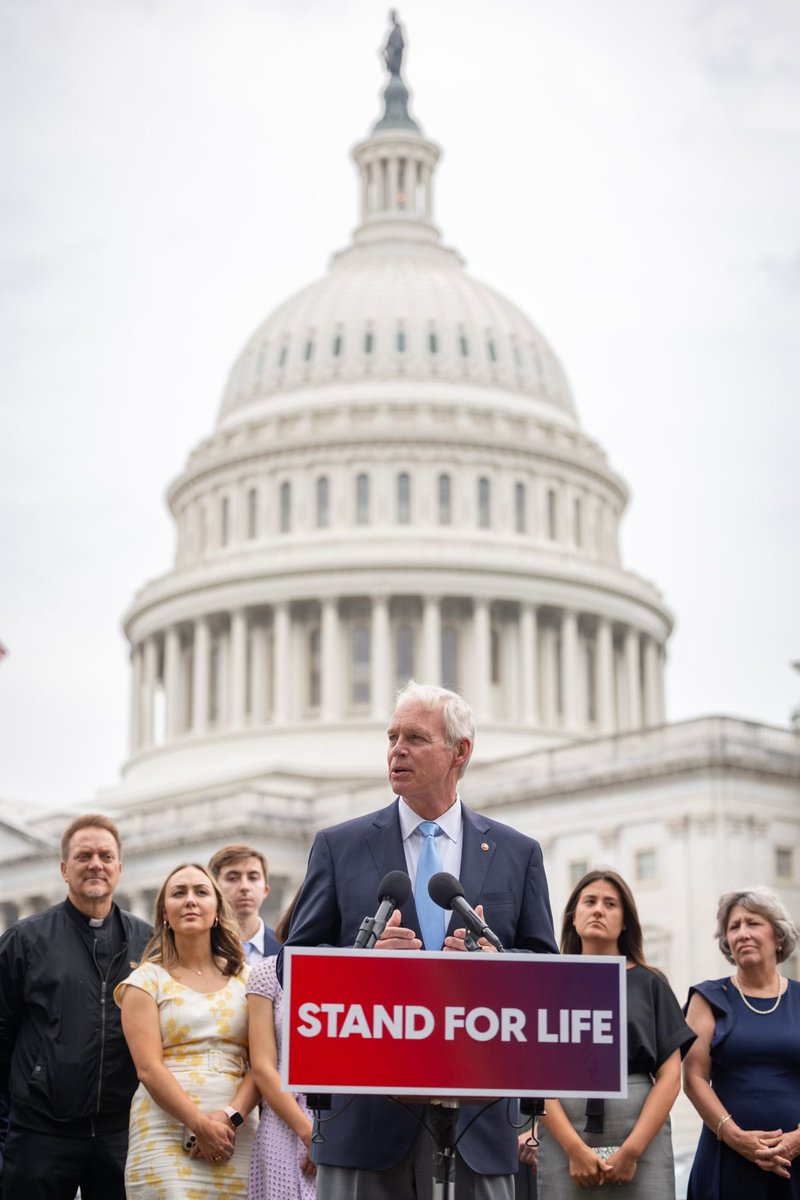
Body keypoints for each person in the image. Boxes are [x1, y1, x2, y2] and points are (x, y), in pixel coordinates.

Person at [282, 680, 557, 1200]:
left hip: (478, 1118)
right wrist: (361, 963)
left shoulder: (517, 853)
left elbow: (545, 963)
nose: (397, 749)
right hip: (364, 1119)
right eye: (391, 737)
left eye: (415, 737)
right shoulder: (338, 846)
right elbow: (290, 962)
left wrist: (495, 961)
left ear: (461, 752)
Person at [0, 813, 151, 1200]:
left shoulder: (148, 943)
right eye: (84, 856)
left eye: (105, 855)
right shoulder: (24, 940)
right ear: (65, 869)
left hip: (120, 1133)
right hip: (39, 1133)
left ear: (119, 867)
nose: (95, 864)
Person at [535, 869, 694, 1197]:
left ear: (625, 922)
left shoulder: (651, 983)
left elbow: (669, 1076)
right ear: (573, 917)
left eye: (610, 904)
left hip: (641, 1132)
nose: (598, 910)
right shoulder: (548, 981)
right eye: (589, 901)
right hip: (565, 1134)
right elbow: (536, 1077)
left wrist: (632, 1151)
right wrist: (574, 1149)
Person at [116, 863, 260, 1198]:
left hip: (236, 1130)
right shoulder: (144, 981)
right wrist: (199, 1124)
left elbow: (263, 1063)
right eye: (179, 893)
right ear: (165, 911)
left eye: (201, 892)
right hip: (163, 1129)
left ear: (216, 910)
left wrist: (229, 1118)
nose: (190, 900)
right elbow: (148, 1068)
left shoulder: (250, 979)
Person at [683, 886, 800, 1198]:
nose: (742, 933)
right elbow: (693, 1079)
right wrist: (736, 1137)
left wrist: (798, 1140)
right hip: (727, 1158)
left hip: (798, 1160)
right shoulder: (708, 997)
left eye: (753, 923)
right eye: (734, 927)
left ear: (778, 935)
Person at [247, 887, 315, 1200]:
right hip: (284, 1120)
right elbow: (262, 1066)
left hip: (344, 1124)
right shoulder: (267, 972)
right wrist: (308, 1133)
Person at [210, 844, 281, 963]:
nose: (245, 887)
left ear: (265, 890)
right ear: (214, 889)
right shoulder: (202, 949)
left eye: (253, 878)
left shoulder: (285, 948)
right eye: (232, 878)